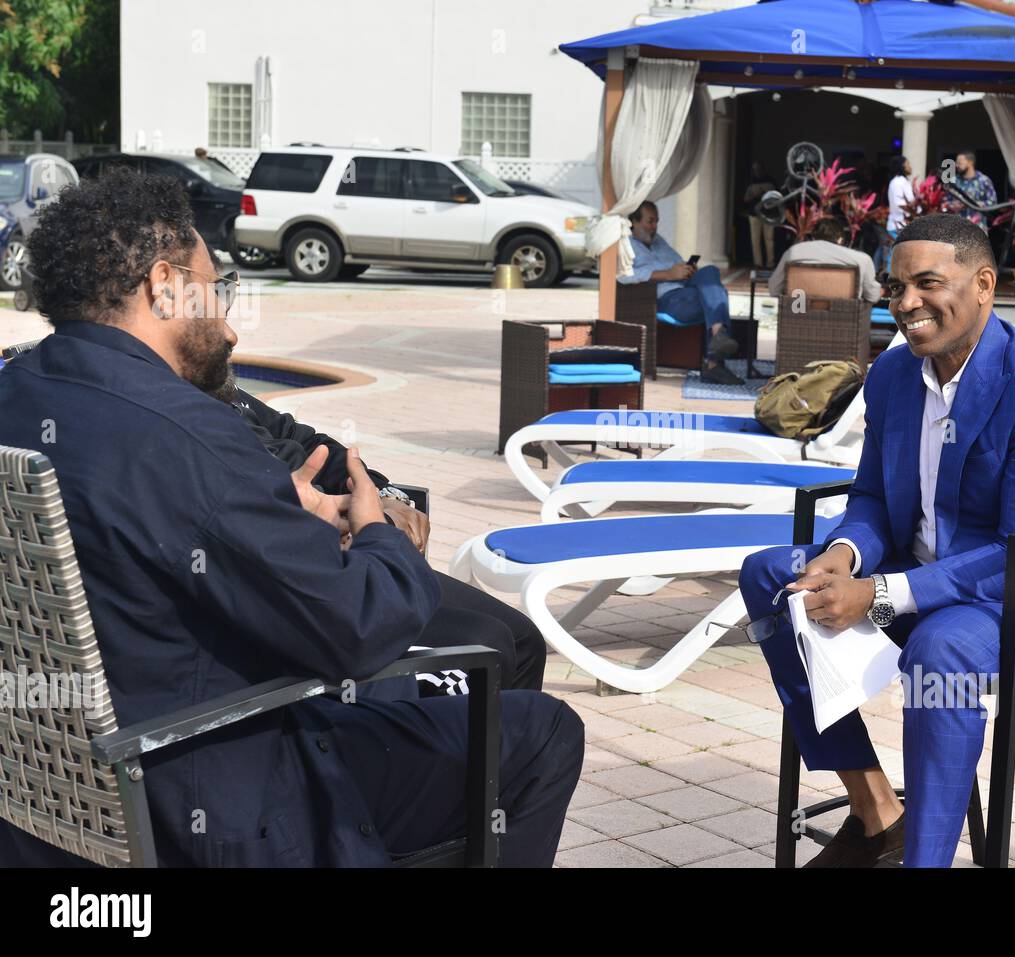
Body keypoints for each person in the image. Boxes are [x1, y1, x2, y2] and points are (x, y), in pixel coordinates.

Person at [0, 168, 582, 867]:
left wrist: (279, 514)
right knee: (544, 733)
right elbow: (360, 628)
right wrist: (376, 533)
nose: (227, 318)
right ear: (163, 285)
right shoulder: (184, 433)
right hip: (214, 802)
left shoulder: (18, 390)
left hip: (54, 803)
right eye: (218, 290)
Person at [738, 213, 1015, 868]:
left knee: (943, 644)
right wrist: (843, 558)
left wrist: (880, 592)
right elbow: (871, 495)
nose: (906, 303)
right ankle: (877, 811)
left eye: (927, 283)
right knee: (773, 578)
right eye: (896, 287)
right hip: (928, 585)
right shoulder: (895, 375)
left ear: (984, 284)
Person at [216, 377, 548, 693]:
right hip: (302, 589)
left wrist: (381, 495)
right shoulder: (187, 420)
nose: (230, 334)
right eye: (216, 316)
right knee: (489, 643)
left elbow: (306, 440)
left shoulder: (217, 388)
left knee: (524, 640)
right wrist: (361, 522)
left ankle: (484, 747)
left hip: (355, 558)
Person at [619, 200, 742, 386]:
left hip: (685, 287)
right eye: (650, 221)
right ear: (634, 222)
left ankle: (718, 337)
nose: (654, 227)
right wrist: (668, 274)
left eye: (656, 221)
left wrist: (687, 270)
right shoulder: (625, 245)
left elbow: (678, 262)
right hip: (666, 299)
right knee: (717, 294)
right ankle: (714, 361)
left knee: (709, 272)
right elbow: (624, 276)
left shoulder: (658, 241)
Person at [767, 218, 882, 303]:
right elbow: (872, 296)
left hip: (798, 318)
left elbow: (774, 289)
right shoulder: (861, 259)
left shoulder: (793, 253)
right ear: (840, 239)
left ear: (812, 237)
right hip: (844, 323)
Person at [951, 150, 998, 230]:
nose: (956, 165)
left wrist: (973, 204)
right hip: (956, 229)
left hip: (978, 229)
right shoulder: (954, 181)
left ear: (970, 162)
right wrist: (953, 205)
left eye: (959, 162)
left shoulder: (984, 181)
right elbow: (945, 201)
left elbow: (993, 203)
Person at [743, 161, 777, 270]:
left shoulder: (771, 182)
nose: (757, 171)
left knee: (769, 239)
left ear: (763, 169)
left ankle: (770, 263)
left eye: (758, 169)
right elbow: (745, 199)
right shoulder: (750, 182)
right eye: (755, 169)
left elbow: (776, 197)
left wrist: (764, 194)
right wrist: (754, 195)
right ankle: (758, 263)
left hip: (768, 214)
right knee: (755, 239)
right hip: (754, 213)